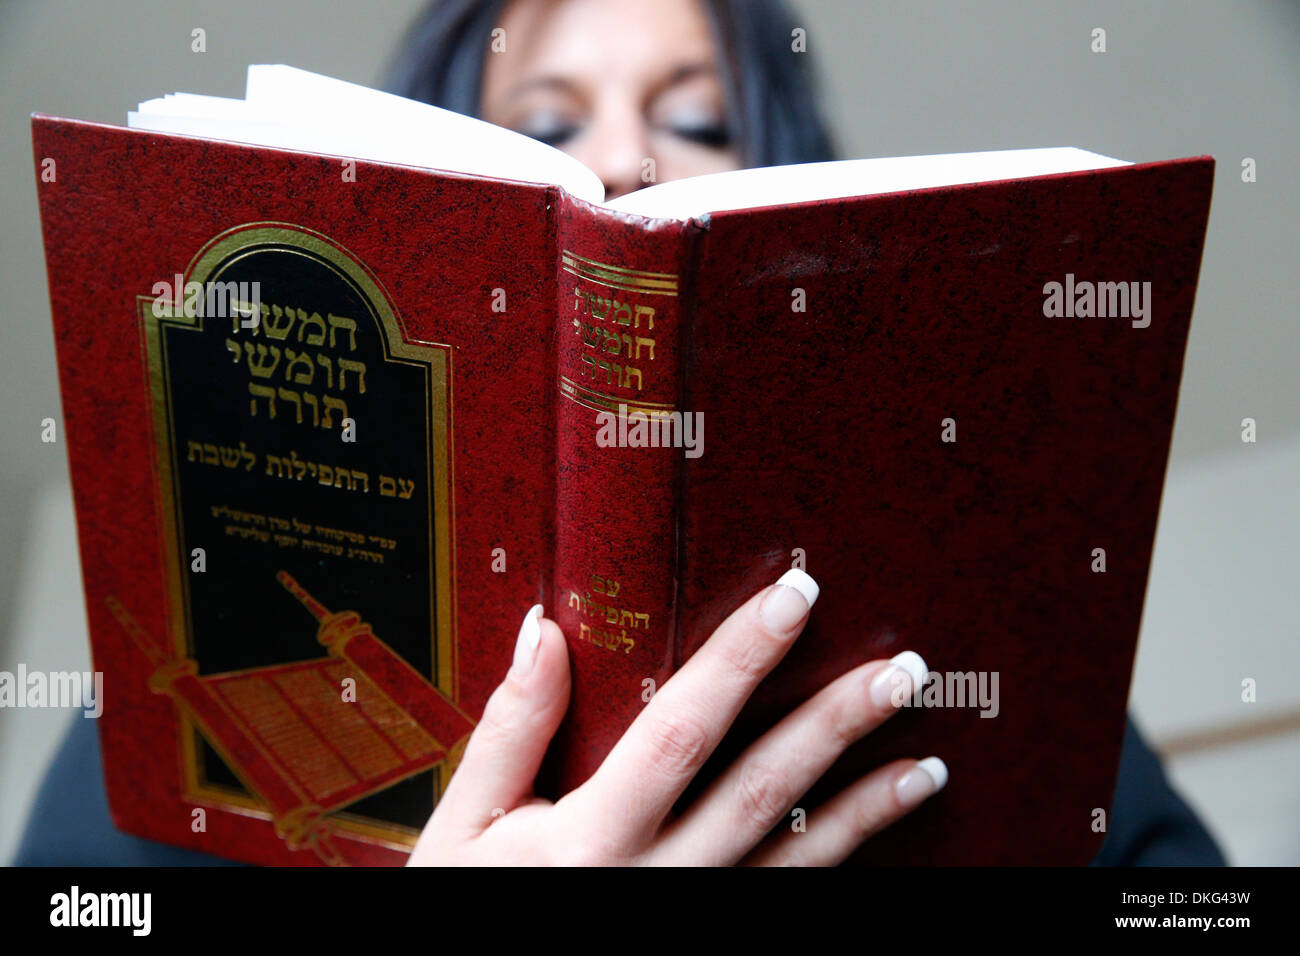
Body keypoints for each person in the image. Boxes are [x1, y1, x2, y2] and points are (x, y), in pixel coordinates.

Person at [14, 0, 1224, 867]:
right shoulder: (180, 721)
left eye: (699, 117)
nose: (626, 155)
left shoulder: (964, 674)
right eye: (542, 120)